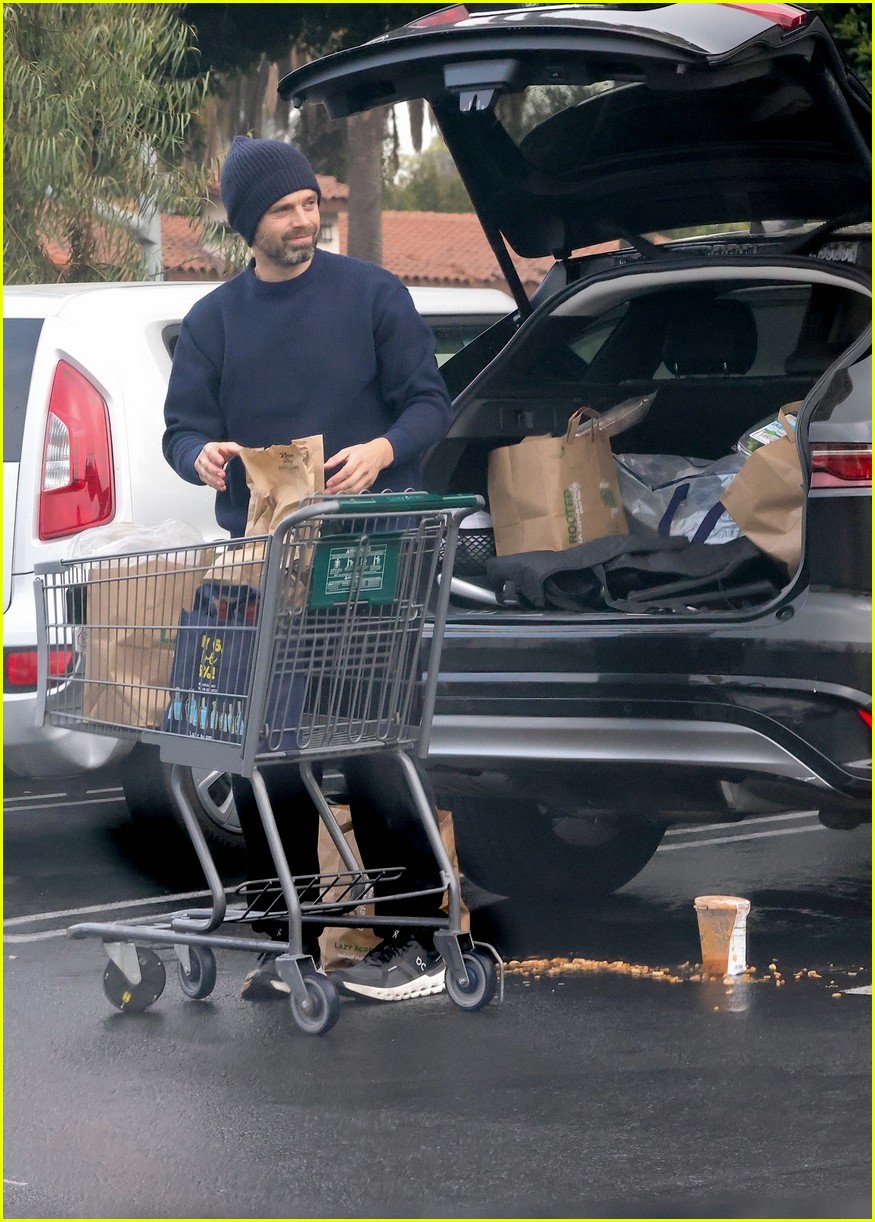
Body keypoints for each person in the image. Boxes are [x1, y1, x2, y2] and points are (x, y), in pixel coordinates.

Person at [163, 136, 454, 1003]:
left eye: (310, 202)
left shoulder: (372, 294)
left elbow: (429, 404)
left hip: (362, 558)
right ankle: (283, 936)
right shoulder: (215, 320)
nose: (306, 216)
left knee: (370, 743)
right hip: (260, 563)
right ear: (250, 222)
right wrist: (200, 456)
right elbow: (179, 429)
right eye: (286, 208)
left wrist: (381, 450)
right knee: (268, 751)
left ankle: (416, 940)